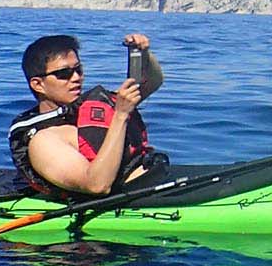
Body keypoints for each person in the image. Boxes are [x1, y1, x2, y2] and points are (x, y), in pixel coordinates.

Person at [9, 33, 165, 198]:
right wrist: (120, 115)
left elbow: (153, 82)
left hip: (153, 175)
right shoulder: (44, 141)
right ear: (38, 84)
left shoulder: (91, 107)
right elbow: (97, 185)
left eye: (78, 69)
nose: (76, 78)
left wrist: (144, 54)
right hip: (129, 198)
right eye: (64, 74)